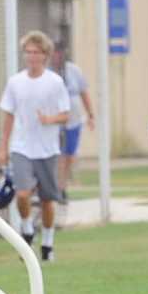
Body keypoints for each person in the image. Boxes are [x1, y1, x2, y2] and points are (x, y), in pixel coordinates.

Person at [0, 30, 72, 261]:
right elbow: (9, 115)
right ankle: (28, 229)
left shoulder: (54, 82)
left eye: (36, 52)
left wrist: (50, 120)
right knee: (21, 194)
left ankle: (48, 244)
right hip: (21, 147)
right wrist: (3, 147)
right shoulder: (15, 82)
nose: (31, 57)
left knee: (48, 199)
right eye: (28, 52)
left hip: (47, 149)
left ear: (45, 55)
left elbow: (65, 115)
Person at [52, 47, 94, 192]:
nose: (57, 56)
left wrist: (90, 115)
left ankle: (63, 182)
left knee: (70, 154)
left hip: (73, 121)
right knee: (59, 154)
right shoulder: (49, 73)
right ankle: (59, 185)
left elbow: (84, 93)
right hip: (55, 122)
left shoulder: (74, 71)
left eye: (59, 53)